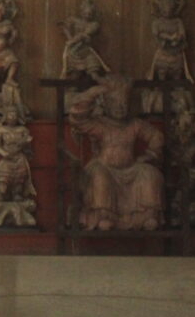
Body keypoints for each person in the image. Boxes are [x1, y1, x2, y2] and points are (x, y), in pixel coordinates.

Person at [68, 73, 164, 231]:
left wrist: (150, 155)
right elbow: (78, 120)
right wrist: (91, 94)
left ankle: (146, 217)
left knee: (149, 174)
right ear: (106, 105)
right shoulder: (101, 125)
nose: (120, 107)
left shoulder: (134, 124)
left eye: (123, 103)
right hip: (105, 167)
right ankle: (103, 217)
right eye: (115, 103)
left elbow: (156, 136)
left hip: (131, 168)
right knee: (99, 177)